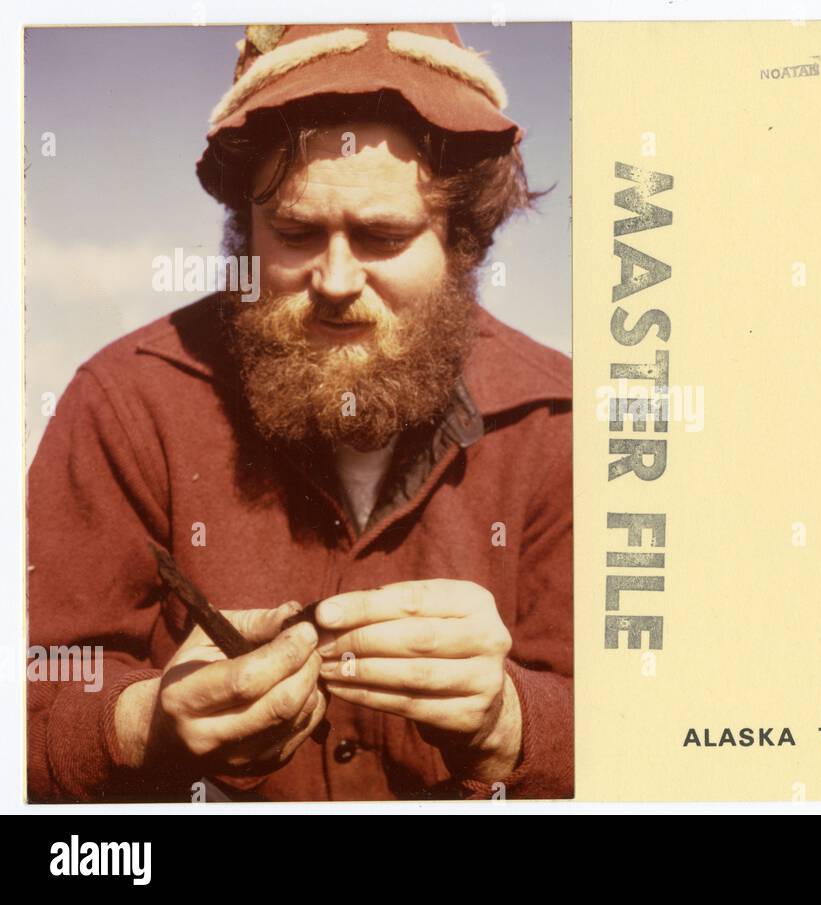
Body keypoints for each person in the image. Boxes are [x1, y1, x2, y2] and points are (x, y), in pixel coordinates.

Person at [27, 23, 573, 801]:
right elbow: (29, 691)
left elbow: (655, 725)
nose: (337, 279)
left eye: (383, 236)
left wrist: (515, 721)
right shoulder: (124, 403)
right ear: (244, 233)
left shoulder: (561, 424)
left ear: (463, 242)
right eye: (296, 232)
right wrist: (144, 722)